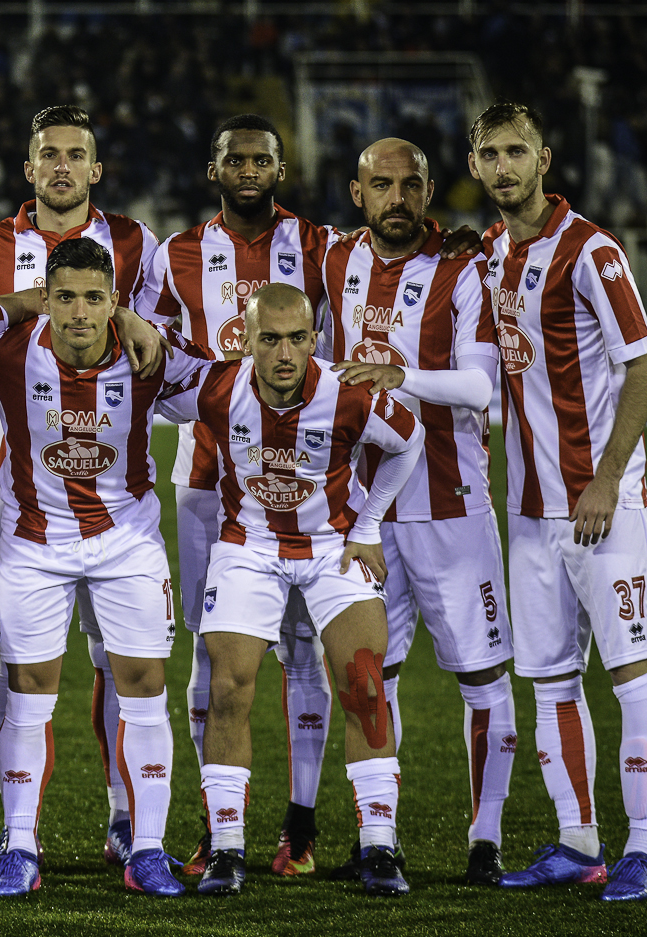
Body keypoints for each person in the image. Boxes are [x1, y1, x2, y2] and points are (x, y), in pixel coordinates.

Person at [137, 114, 480, 875]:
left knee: (315, 663)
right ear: (214, 170)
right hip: (214, 485)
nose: (250, 170)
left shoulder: (322, 244)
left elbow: (390, 243)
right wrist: (206, 388)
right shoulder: (178, 254)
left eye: (264, 158)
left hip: (324, 486)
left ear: (282, 169)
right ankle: (216, 829)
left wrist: (450, 236)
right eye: (237, 159)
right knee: (215, 664)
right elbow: (151, 357)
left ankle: (301, 825)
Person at [0, 237, 209, 898]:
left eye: (95, 298)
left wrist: (144, 325)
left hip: (125, 542)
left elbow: (229, 382)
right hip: (34, 543)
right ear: (45, 298)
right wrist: (7, 307)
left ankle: (147, 847)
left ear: (113, 302)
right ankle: (19, 846)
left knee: (144, 684)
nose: (78, 311)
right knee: (29, 691)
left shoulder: (148, 355)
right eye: (64, 295)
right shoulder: (8, 354)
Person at [157, 283, 425, 897]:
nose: (284, 353)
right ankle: (227, 848)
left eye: (298, 339)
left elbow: (409, 441)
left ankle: (380, 847)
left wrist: (369, 525)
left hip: (332, 546)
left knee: (363, 679)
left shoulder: (348, 393)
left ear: (314, 339)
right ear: (246, 340)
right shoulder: (217, 388)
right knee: (227, 686)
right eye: (269, 339)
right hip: (247, 547)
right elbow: (151, 380)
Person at [467, 103, 647, 902]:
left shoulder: (591, 251)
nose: (505, 165)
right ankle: (578, 840)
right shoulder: (488, 251)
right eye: (490, 153)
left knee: (631, 671)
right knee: (550, 679)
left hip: (599, 503)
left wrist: (609, 476)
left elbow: (644, 365)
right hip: (528, 508)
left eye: (518, 150)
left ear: (544, 158)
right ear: (476, 166)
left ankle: (645, 852)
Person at [0, 104, 159, 868]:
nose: (64, 166)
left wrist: (138, 319)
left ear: (96, 169)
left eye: (78, 154)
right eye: (50, 154)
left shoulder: (135, 243)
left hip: (112, 485)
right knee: (17, 657)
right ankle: (12, 828)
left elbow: (161, 330)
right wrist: (18, 305)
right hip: (20, 485)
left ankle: (122, 814)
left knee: (121, 661)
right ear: (30, 168)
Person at [317, 137, 515, 885]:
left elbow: (480, 388)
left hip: (450, 508)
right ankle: (377, 839)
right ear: (357, 192)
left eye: (410, 185)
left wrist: (398, 373)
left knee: (482, 678)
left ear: (429, 191)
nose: (396, 199)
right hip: (365, 514)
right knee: (368, 676)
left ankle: (486, 841)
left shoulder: (465, 268)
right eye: (381, 185)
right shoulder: (335, 261)